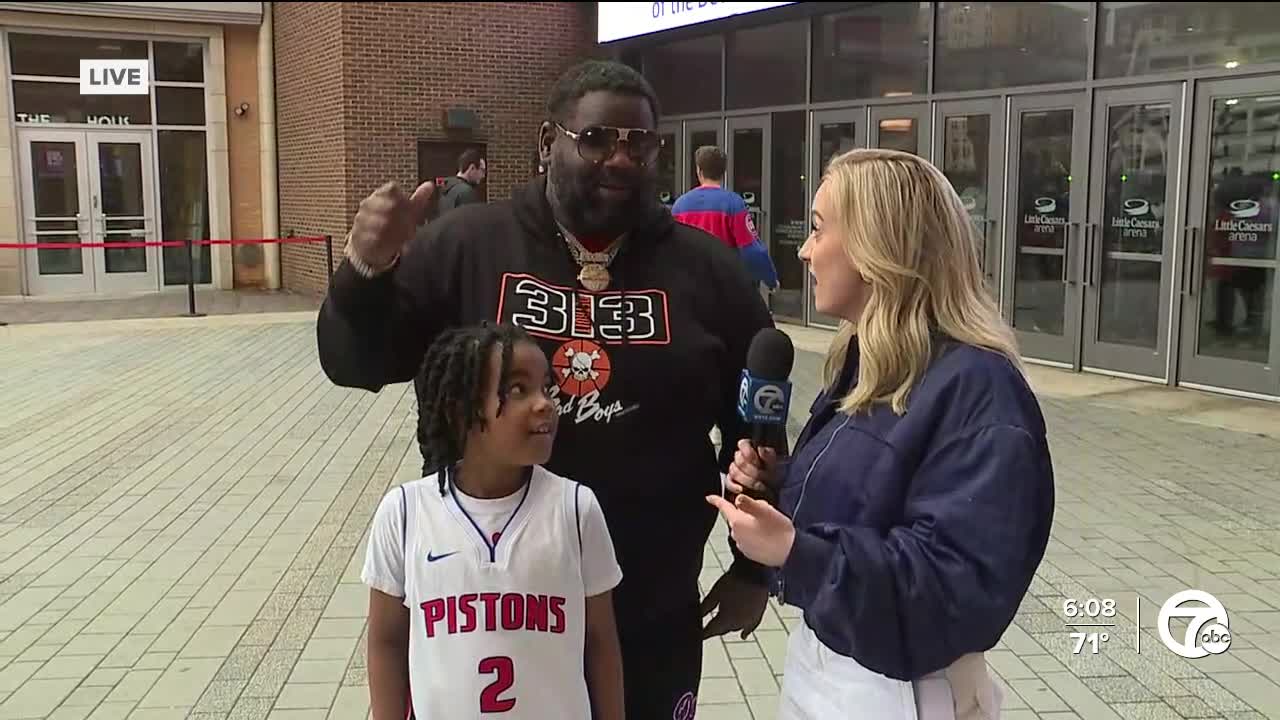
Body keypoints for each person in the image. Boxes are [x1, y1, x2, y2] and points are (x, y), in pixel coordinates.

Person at [318, 59, 779, 718]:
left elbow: (753, 429)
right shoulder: (466, 245)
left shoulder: (706, 270)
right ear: (546, 142)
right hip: (489, 605)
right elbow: (354, 363)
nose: (620, 158)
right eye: (596, 139)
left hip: (649, 603)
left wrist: (753, 568)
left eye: (639, 143)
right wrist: (364, 272)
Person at [708, 148, 1055, 719]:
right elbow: (867, 504)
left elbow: (955, 586)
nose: (804, 250)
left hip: (904, 689)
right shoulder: (869, 363)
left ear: (878, 248)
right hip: (826, 665)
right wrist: (781, 486)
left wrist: (797, 552)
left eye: (818, 228)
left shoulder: (980, 391)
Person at [362, 322, 624, 720]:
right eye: (518, 389)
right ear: (462, 408)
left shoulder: (575, 508)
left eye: (546, 388)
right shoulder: (404, 512)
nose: (544, 403)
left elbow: (601, 643)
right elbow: (386, 642)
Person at [672, 145, 779, 297]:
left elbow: (672, 250)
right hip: (724, 288)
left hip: (690, 288)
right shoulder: (733, 203)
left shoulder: (680, 206)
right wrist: (771, 280)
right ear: (723, 172)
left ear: (699, 171)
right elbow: (751, 250)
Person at [437, 148, 487, 215]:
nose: (483, 176)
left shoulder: (444, 186)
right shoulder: (466, 192)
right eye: (482, 170)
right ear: (472, 168)